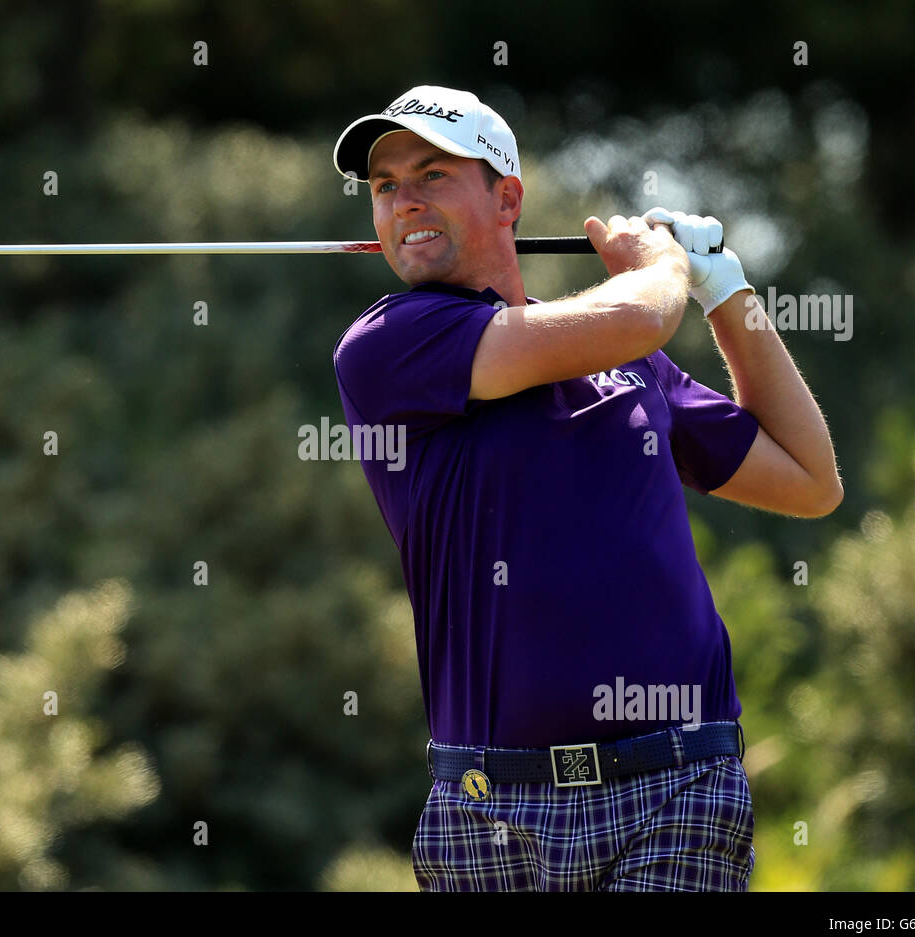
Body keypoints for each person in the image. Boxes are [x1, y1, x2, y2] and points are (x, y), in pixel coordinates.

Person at [330, 85, 842, 891]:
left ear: (507, 199)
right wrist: (665, 267)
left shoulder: (633, 367)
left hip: (676, 786)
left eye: (431, 175)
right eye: (386, 187)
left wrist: (729, 295)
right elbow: (638, 314)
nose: (404, 203)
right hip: (486, 811)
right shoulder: (387, 347)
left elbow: (812, 481)